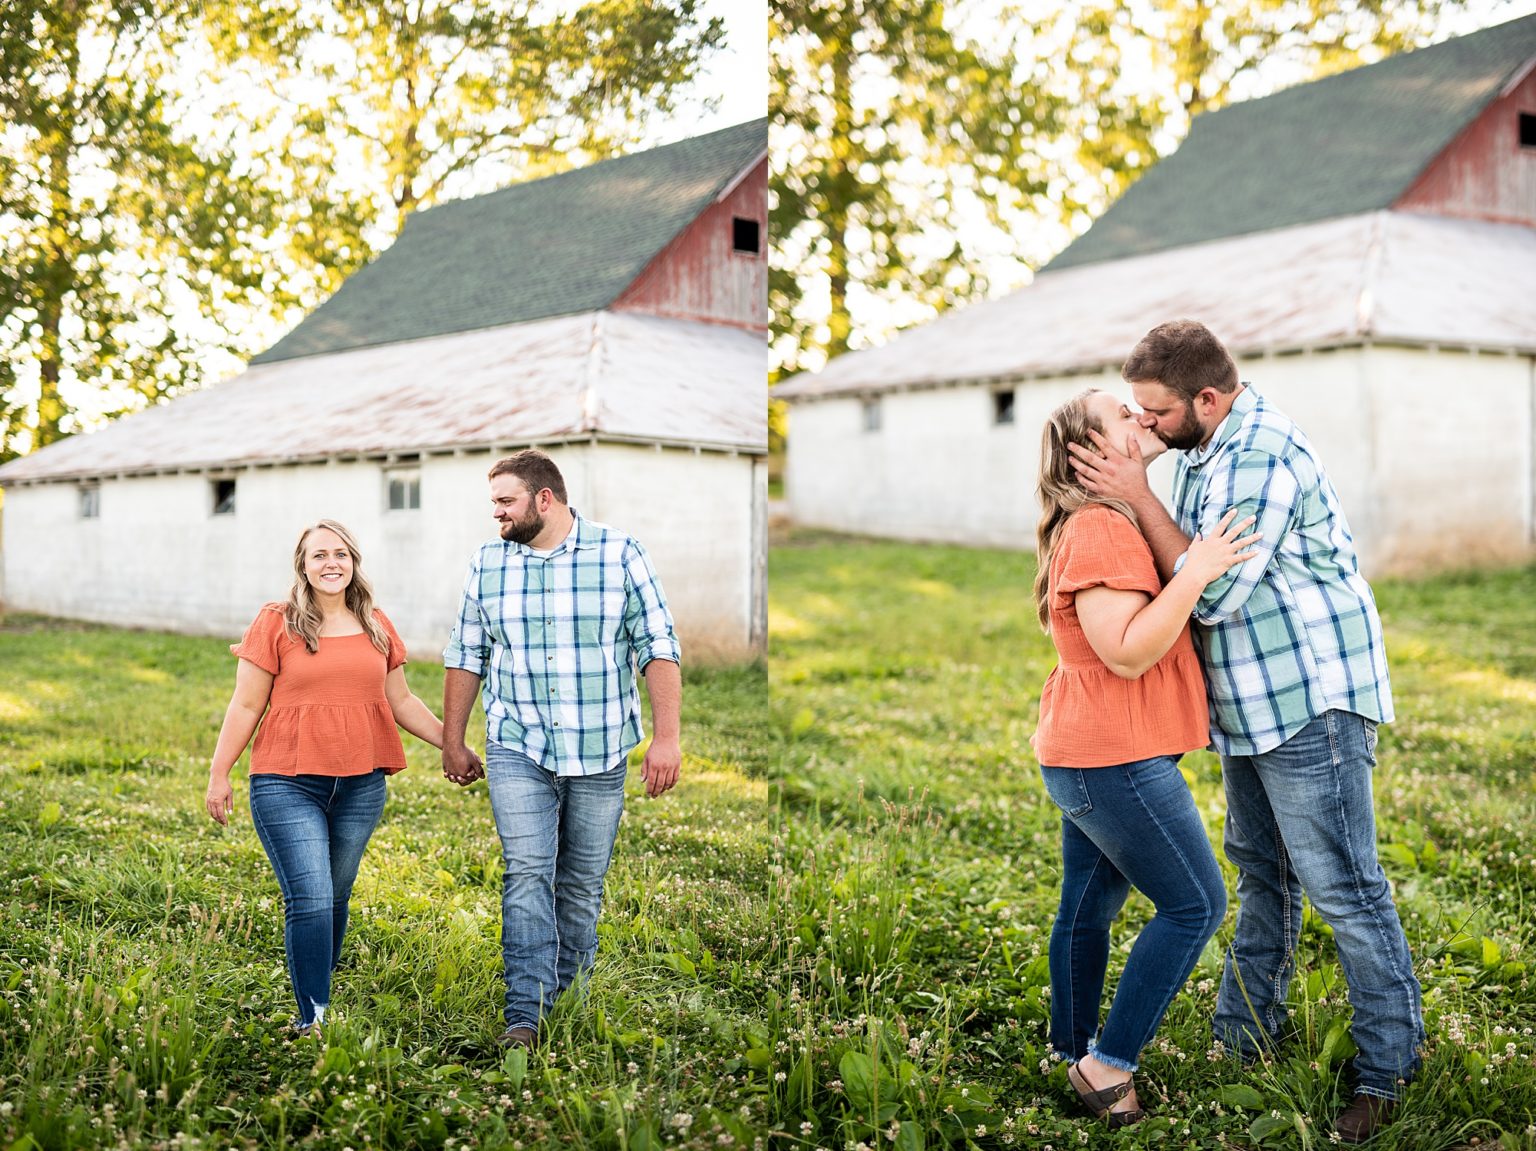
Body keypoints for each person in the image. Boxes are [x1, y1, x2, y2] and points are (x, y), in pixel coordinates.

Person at [1068, 320, 1423, 1144]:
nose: (1145, 427)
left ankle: (1388, 1070)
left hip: (1308, 699)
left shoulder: (1260, 452)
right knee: (1263, 873)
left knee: (1345, 888)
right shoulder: (1199, 452)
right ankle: (1245, 1037)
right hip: (1249, 706)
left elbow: (1213, 591)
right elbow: (1176, 569)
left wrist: (1138, 495)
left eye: (1156, 413)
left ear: (1208, 398)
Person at [1033, 388, 1258, 1127]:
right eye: (1120, 415)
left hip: (1094, 753)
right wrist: (1197, 570)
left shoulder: (1109, 520)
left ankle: (1069, 1047)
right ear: (1088, 454)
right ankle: (1107, 1064)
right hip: (1112, 760)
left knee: (1087, 906)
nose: (1141, 417)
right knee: (1196, 903)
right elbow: (1126, 651)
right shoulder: (1098, 527)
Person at [440, 449, 682, 1050]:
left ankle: (567, 998)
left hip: (600, 748)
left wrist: (667, 737)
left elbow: (657, 643)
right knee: (526, 874)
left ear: (543, 499)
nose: (494, 513)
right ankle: (524, 1016)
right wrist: (453, 739)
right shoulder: (488, 562)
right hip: (517, 744)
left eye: (504, 501)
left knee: (579, 884)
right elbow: (467, 652)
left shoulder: (619, 552)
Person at [204, 519, 465, 1035]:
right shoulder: (276, 622)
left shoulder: (375, 624)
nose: (331, 563)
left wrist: (453, 746)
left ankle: (318, 975)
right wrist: (219, 773)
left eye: (341, 554)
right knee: (312, 896)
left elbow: (402, 701)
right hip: (287, 781)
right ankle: (314, 1018)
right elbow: (247, 703)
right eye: (319, 554)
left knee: (337, 893)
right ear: (302, 565)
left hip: (361, 784)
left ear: (354, 563)